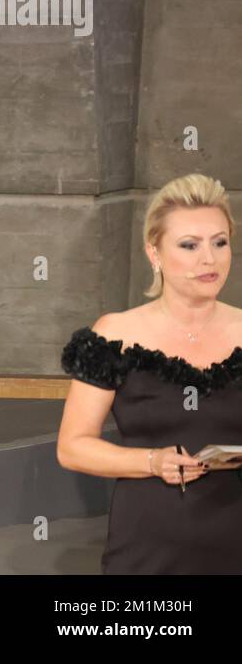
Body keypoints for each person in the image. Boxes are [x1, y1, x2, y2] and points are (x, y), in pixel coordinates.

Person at [58, 173, 242, 573]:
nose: (209, 259)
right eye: (189, 246)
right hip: (147, 548)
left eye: (220, 242)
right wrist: (153, 461)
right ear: (154, 253)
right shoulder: (115, 334)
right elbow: (72, 446)